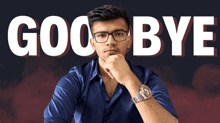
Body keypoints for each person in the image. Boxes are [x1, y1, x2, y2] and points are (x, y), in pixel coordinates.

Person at [44, 5, 178, 123]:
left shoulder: (148, 78)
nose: (110, 42)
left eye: (118, 34)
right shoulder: (76, 79)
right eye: (102, 35)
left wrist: (130, 80)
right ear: (92, 44)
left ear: (128, 41)